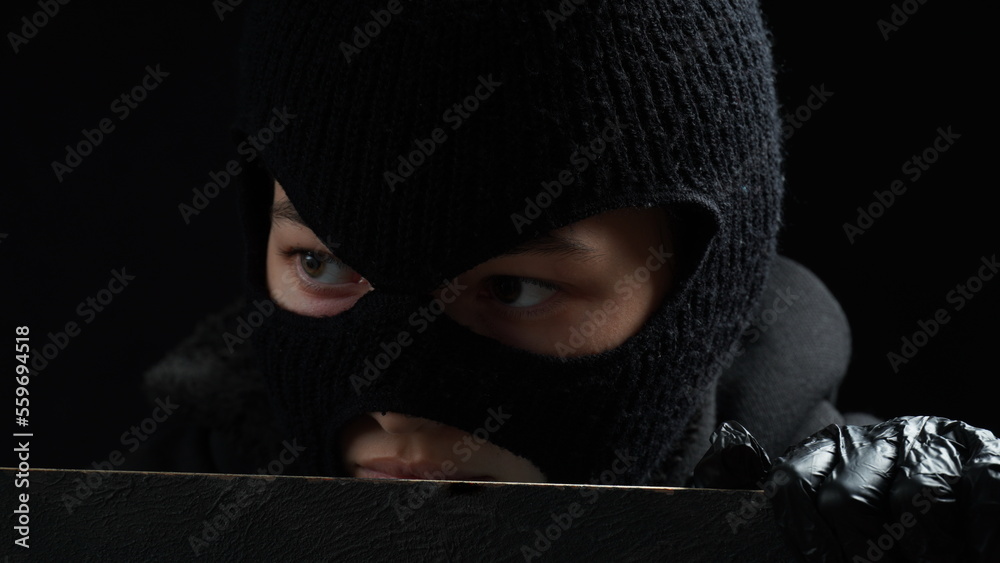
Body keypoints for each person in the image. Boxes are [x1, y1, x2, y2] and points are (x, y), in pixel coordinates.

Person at [132, 0, 999, 559]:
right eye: (321, 264)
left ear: (701, 290)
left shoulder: (881, 533)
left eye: (514, 287)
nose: (395, 401)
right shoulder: (138, 523)